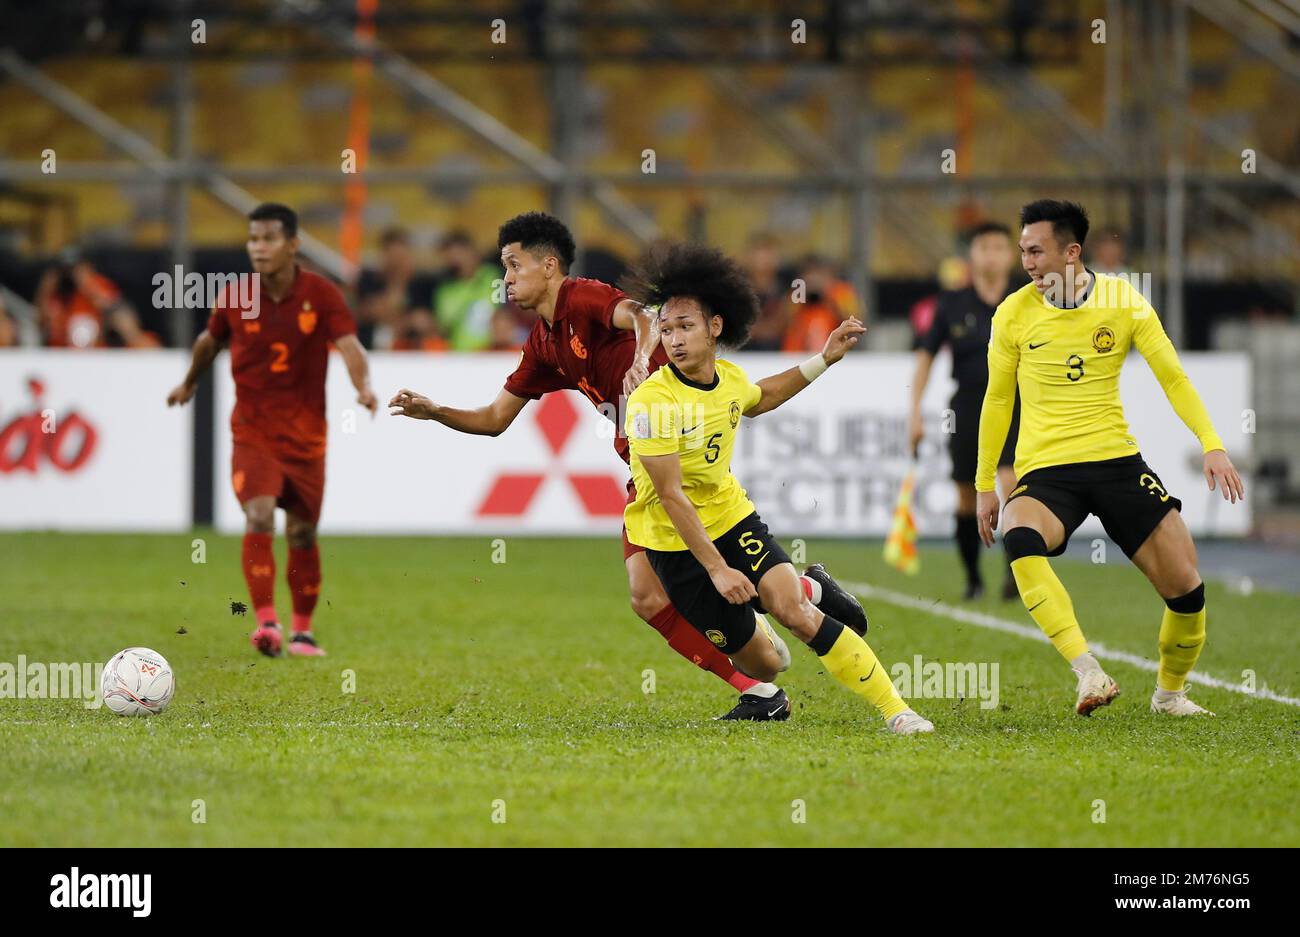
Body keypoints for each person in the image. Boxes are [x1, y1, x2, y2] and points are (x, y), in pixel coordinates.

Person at [388, 212, 863, 720]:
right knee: (676, 613)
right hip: (646, 471)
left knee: (661, 594)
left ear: (549, 266)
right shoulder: (543, 344)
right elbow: (493, 419)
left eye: (513, 265)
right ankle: (773, 660)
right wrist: (435, 411)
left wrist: (641, 357)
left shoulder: (581, 295)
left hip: (682, 459)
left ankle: (778, 647)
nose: (506, 279)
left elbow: (640, 315)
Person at [622, 241, 933, 735]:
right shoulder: (650, 402)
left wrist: (823, 359)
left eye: (685, 326)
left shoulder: (728, 378)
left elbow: (761, 395)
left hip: (730, 519)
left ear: (714, 327)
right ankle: (809, 585)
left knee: (794, 611)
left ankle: (898, 711)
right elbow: (672, 496)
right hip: (673, 544)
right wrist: (718, 570)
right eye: (666, 329)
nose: (675, 339)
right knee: (765, 666)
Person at [976, 200, 1244, 717]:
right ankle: (1088, 671)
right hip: (1047, 472)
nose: (1027, 262)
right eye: (1022, 251)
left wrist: (1212, 442)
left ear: (1071, 251)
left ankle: (1169, 694)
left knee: (1186, 591)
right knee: (1021, 536)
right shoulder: (1012, 313)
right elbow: (998, 400)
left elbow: (1173, 376)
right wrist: (985, 482)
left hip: (1117, 463)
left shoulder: (1125, 302)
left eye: (1036, 250)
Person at [167, 203, 377, 657]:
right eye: (253, 239)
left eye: (268, 239)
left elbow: (349, 345)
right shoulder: (236, 295)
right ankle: (266, 624)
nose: (258, 248)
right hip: (253, 433)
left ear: (293, 244)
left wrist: (363, 388)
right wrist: (188, 384)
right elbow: (210, 341)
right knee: (259, 515)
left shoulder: (321, 295)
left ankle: (302, 632)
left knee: (302, 533)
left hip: (306, 440)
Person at [909, 222, 1021, 600]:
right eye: (983, 247)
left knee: (1011, 484)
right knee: (965, 494)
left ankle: (1015, 575)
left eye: (998, 247)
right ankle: (973, 579)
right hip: (967, 407)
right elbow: (925, 356)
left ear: (1011, 255)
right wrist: (915, 412)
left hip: (1015, 403)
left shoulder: (1026, 299)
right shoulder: (952, 303)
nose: (991, 254)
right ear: (972, 255)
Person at [36, 252, 157, 348]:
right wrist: (45, 290)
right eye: (67, 270)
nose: (71, 275)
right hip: (62, 352)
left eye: (75, 269)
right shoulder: (56, 292)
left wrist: (84, 283)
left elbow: (112, 306)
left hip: (95, 350)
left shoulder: (97, 284)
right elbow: (40, 322)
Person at [355, 227, 439, 350]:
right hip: (372, 342)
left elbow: (425, 319)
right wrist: (396, 281)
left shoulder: (423, 282)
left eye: (400, 255)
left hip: (410, 343)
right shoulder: (369, 278)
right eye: (392, 254)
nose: (396, 261)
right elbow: (372, 311)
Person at [432, 229, 499, 350]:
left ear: (472, 251)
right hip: (460, 356)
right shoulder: (445, 290)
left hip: (492, 353)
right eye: (451, 254)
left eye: (460, 252)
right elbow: (444, 325)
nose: (457, 259)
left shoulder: (493, 277)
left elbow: (502, 309)